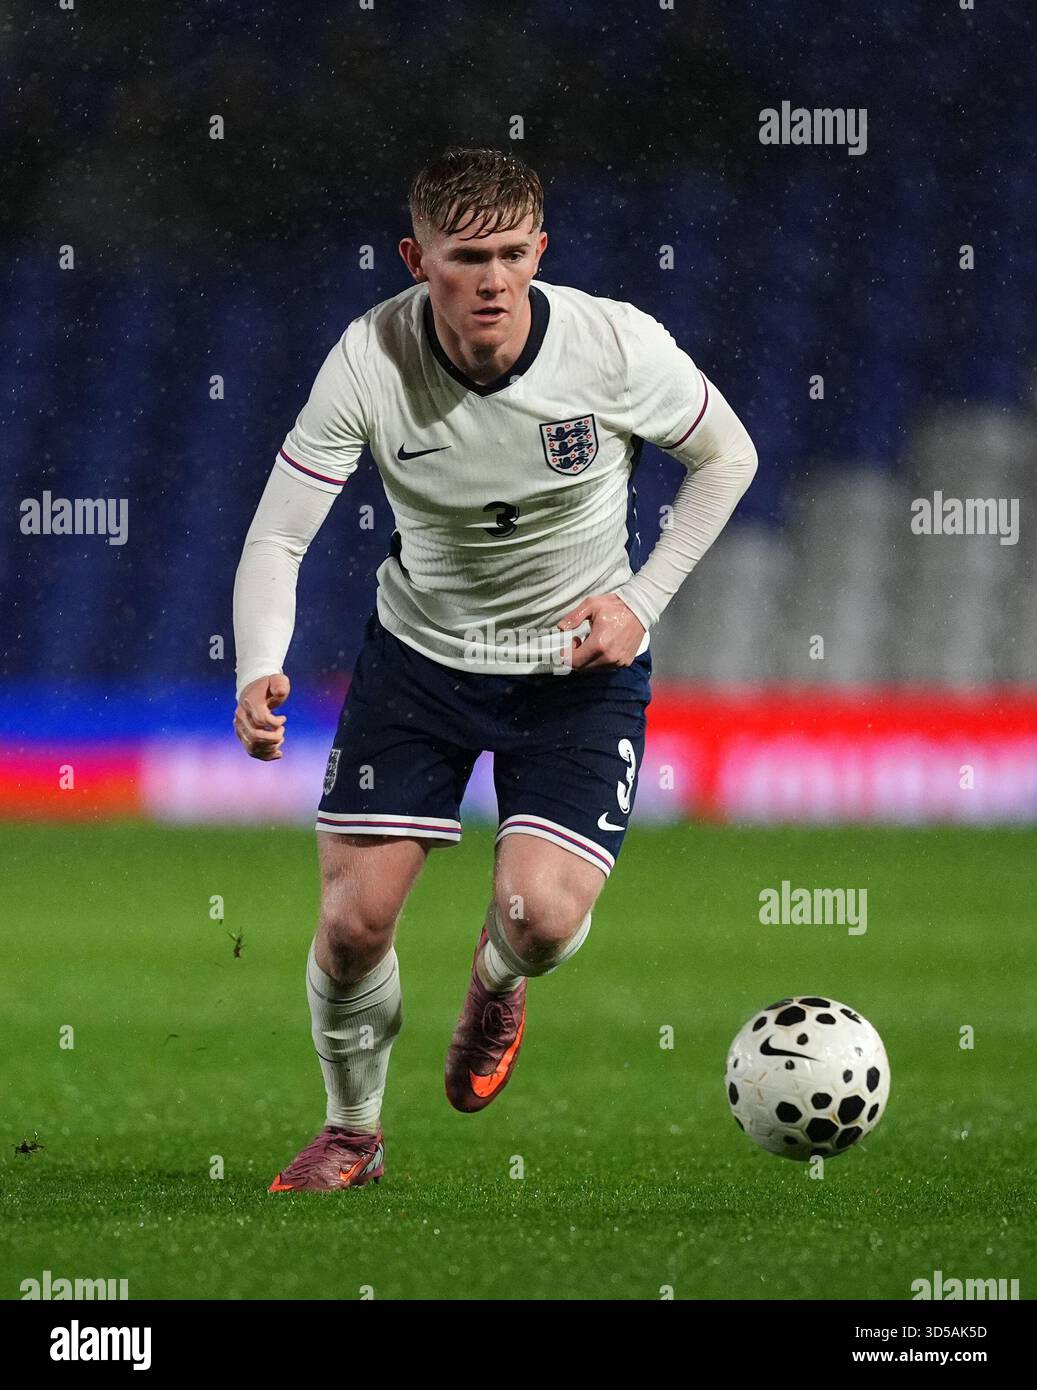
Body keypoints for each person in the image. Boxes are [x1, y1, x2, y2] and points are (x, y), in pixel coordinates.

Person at [232, 147, 757, 1192]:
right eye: (465, 255)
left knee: (542, 919)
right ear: (415, 258)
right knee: (350, 927)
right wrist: (259, 665)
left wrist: (639, 601)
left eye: (513, 254)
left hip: (576, 670)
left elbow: (727, 455)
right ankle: (352, 1133)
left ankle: (496, 981)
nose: (491, 280)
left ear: (540, 252)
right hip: (419, 662)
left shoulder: (613, 346)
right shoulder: (368, 359)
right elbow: (278, 537)